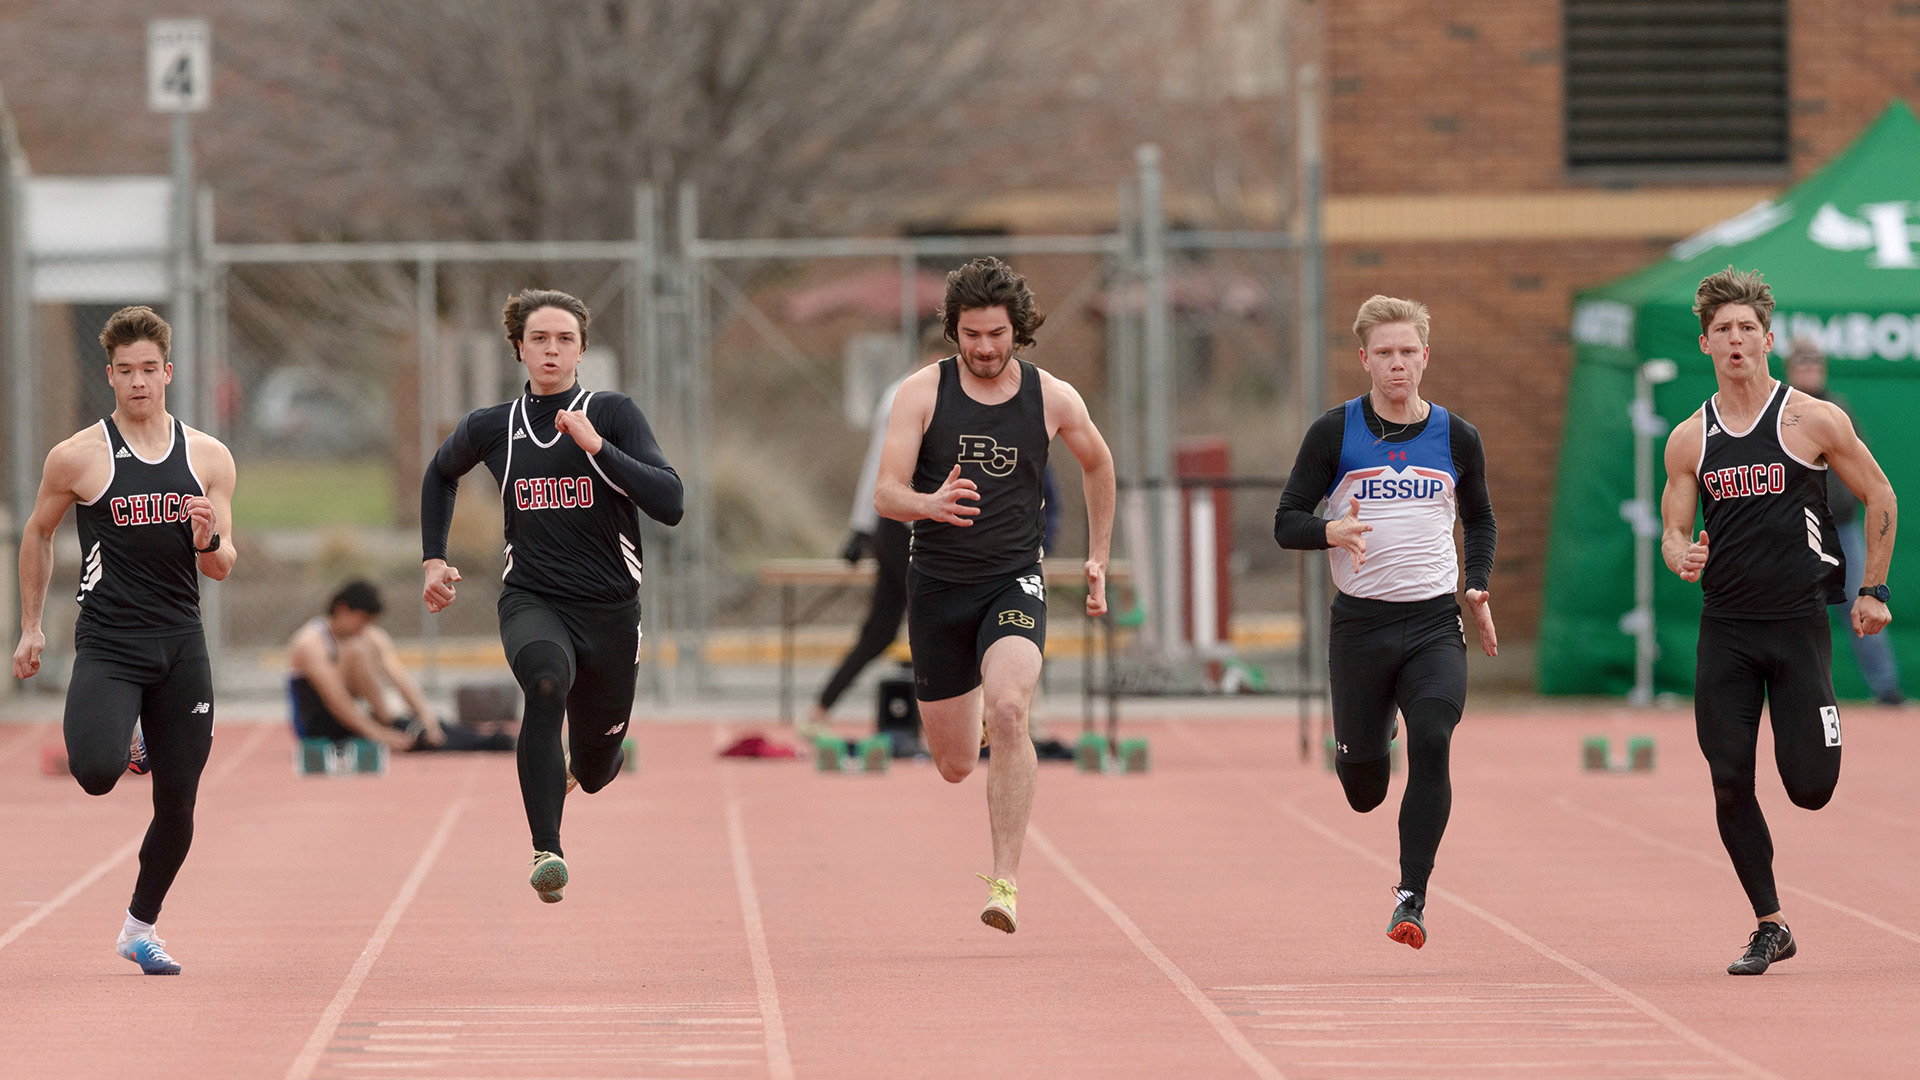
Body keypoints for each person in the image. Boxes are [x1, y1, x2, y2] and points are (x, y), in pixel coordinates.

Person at [1660, 268, 1896, 975]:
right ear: (1705, 344)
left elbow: (1880, 493)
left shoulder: (1812, 420)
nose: (1736, 341)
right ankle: (1770, 921)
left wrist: (1874, 588)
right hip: (1725, 630)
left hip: (1797, 627)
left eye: (1747, 329)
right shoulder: (1688, 439)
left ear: (1767, 338)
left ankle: (1821, 719)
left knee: (1810, 789)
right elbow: (1673, 528)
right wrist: (1681, 554)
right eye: (1722, 331)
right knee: (1729, 776)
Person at [873, 256, 1115, 932]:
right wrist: (930, 503)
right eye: (972, 335)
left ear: (1020, 331)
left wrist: (1097, 556)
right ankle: (974, 693)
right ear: (954, 332)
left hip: (1013, 580)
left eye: (996, 335)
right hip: (939, 587)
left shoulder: (1052, 398)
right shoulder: (921, 393)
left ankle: (1004, 880)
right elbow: (885, 494)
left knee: (1010, 711)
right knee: (953, 765)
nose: (984, 348)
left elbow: (1098, 463)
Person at [421, 289, 683, 903]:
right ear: (519, 348)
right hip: (533, 599)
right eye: (539, 338)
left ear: (582, 349)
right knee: (543, 680)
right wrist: (434, 557)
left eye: (564, 339)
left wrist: (596, 446)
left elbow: (670, 502)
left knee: (593, 770)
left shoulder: (613, 414)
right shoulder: (492, 428)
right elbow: (440, 473)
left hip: (612, 611)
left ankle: (590, 761)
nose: (551, 349)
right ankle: (548, 852)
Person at [12, 305, 238, 975]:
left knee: (179, 801)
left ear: (168, 373)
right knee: (95, 773)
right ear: (109, 376)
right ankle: (130, 733)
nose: (138, 382)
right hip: (110, 643)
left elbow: (223, 564)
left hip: (181, 645)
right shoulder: (78, 456)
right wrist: (30, 626)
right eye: (125, 372)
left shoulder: (207, 457)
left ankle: (141, 925)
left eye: (149, 370)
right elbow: (38, 532)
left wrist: (207, 537)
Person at [1273, 295, 1497, 951]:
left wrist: (1476, 583)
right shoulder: (1335, 433)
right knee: (1365, 791)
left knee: (1433, 736)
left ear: (1425, 358)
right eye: (1385, 353)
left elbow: (1479, 519)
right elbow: (1286, 521)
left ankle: (1412, 895)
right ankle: (1374, 736)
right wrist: (1329, 530)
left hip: (1432, 624)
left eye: (1408, 352)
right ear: (1365, 359)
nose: (1398, 364)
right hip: (1361, 631)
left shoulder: (1457, 437)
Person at [1784, 338, 1904, 705]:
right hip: (1795, 534)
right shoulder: (1780, 411)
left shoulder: (1839, 410)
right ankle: (1793, 693)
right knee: (1790, 614)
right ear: (1790, 370)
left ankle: (1887, 690)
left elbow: (1869, 478)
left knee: (1863, 605)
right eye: (1802, 366)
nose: (1809, 372)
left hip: (1843, 530)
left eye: (1814, 365)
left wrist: (1847, 501)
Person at [288, 580, 516, 752]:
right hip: (319, 726)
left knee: (423, 726)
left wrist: (426, 716)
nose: (365, 627)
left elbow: (398, 678)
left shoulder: (368, 636)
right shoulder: (310, 644)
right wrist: (381, 736)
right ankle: (493, 741)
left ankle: (490, 737)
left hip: (361, 717)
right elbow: (337, 702)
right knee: (418, 738)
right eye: (362, 619)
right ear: (341, 609)